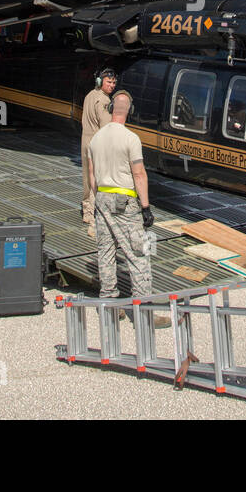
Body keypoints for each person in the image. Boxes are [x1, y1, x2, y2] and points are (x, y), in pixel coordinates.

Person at [87, 91, 167, 326]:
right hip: (126, 203)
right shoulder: (131, 138)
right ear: (129, 111)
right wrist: (145, 207)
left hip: (102, 198)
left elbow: (92, 177)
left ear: (111, 108)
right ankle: (143, 313)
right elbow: (139, 173)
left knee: (106, 253)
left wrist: (97, 200)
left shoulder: (95, 139)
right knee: (139, 255)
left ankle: (109, 306)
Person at [80, 68, 117, 237]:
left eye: (114, 82)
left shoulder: (89, 95)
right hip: (97, 141)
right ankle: (94, 215)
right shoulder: (103, 101)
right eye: (109, 82)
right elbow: (106, 127)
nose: (112, 85)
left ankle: (87, 212)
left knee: (87, 177)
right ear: (100, 82)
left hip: (85, 139)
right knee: (97, 179)